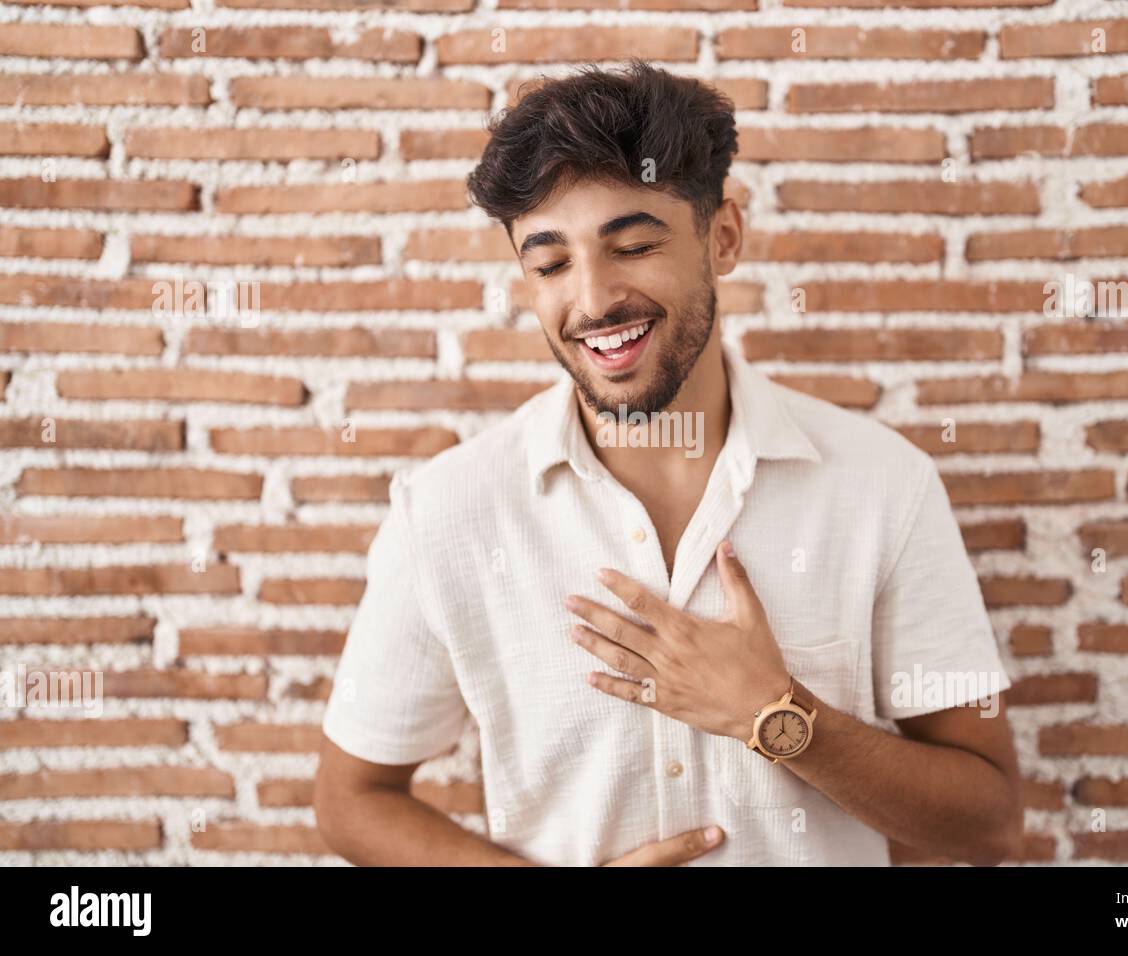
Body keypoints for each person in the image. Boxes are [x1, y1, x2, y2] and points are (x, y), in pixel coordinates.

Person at [313, 59, 1023, 867]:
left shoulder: (881, 485)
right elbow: (349, 801)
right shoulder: (448, 509)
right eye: (550, 264)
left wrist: (779, 716)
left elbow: (988, 825)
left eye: (634, 245)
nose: (592, 301)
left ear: (723, 236)